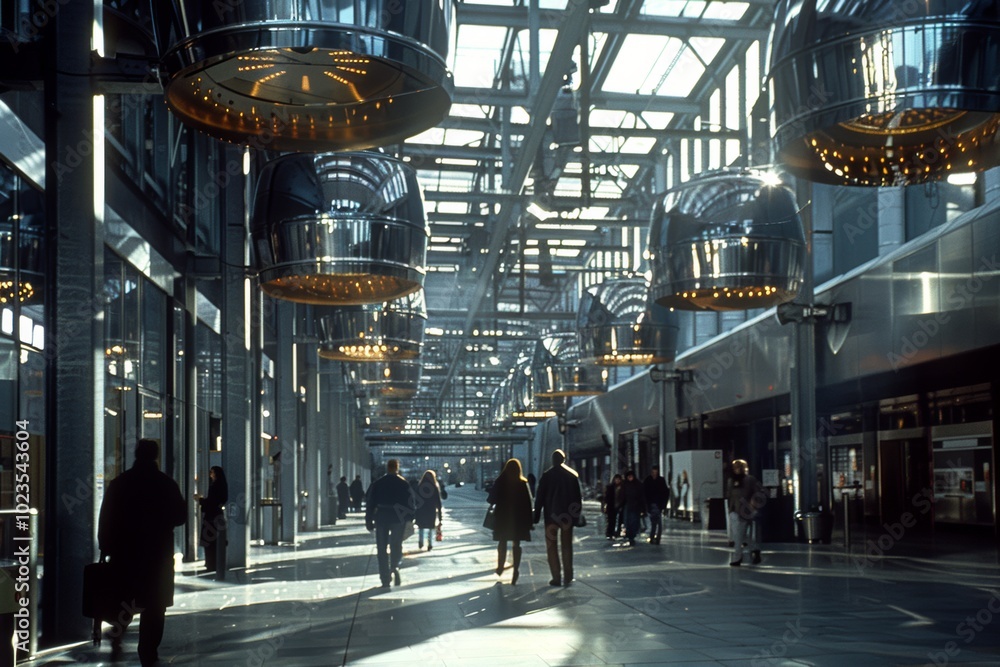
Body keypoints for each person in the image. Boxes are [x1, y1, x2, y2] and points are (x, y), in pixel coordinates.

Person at [98, 439, 186, 666]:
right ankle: (148, 651)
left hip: (125, 554)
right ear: (156, 455)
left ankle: (117, 631)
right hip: (157, 555)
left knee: (126, 598)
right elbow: (180, 517)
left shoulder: (120, 483)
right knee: (155, 605)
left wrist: (105, 545)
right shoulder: (166, 484)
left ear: (136, 454)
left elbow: (106, 517)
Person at [533, 449, 583, 586]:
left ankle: (556, 577)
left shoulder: (547, 476)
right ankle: (568, 576)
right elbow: (577, 499)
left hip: (551, 517)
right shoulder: (572, 475)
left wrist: (536, 516)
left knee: (551, 547)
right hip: (567, 517)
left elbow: (540, 498)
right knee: (567, 546)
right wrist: (576, 517)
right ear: (564, 460)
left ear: (553, 460)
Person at [365, 460, 415, 587]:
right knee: (396, 545)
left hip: (381, 516)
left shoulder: (378, 483)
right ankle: (394, 566)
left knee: (381, 548)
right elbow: (410, 503)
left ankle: (385, 578)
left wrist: (369, 520)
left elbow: (370, 502)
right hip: (398, 518)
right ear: (397, 468)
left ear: (387, 468)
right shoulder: (403, 484)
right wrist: (410, 518)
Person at [487, 459, 533, 584]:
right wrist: (530, 522)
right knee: (516, 544)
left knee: (502, 542)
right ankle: (516, 569)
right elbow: (528, 504)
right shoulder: (522, 483)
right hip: (518, 519)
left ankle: (500, 566)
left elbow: (491, 499)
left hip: (502, 518)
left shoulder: (500, 482)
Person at [728, 459, 764, 566]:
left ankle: (738, 557)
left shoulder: (750, 480)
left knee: (740, 535)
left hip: (746, 511)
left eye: (739, 467)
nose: (737, 469)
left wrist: (753, 506)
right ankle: (753, 550)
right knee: (740, 535)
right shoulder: (731, 481)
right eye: (735, 467)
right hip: (735, 511)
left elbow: (758, 493)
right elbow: (729, 495)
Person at [196, 466, 228, 574]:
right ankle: (214, 563)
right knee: (215, 542)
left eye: (212, 472)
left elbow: (211, 502)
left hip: (211, 516)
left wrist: (200, 500)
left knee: (209, 542)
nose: (211, 474)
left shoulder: (214, 486)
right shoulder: (222, 485)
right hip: (217, 516)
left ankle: (210, 563)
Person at [414, 470, 444, 551]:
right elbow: (438, 502)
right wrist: (440, 518)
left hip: (421, 510)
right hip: (431, 511)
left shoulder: (420, 486)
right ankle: (429, 544)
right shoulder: (434, 487)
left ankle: (421, 542)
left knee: (421, 527)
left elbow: (416, 500)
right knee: (431, 527)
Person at [643, 465, 670, 545]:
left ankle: (655, 538)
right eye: (653, 472)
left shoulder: (659, 480)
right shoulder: (648, 480)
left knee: (657, 523)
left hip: (657, 504)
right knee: (655, 522)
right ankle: (654, 537)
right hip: (652, 504)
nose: (654, 474)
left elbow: (665, 492)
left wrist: (663, 504)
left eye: (656, 472)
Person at [621, 470, 646, 546]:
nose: (630, 478)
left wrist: (643, 508)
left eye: (631, 476)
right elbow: (622, 496)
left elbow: (642, 497)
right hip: (628, 506)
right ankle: (629, 536)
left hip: (636, 506)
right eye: (629, 477)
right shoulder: (625, 485)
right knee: (628, 522)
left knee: (634, 522)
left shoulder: (638, 485)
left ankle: (632, 535)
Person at [603, 473, 623, 540]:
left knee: (620, 521)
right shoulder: (610, 487)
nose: (617, 481)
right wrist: (605, 505)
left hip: (620, 506)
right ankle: (610, 533)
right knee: (611, 521)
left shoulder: (623, 487)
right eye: (616, 479)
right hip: (611, 506)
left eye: (618, 479)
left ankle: (618, 532)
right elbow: (606, 497)